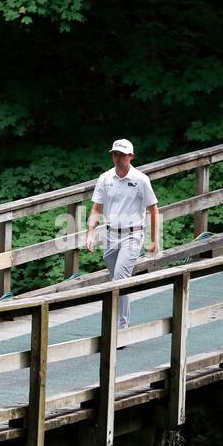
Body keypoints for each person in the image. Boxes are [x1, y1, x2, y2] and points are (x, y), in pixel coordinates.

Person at [84, 138, 160, 332]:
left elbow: (153, 209)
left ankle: (119, 328)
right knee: (119, 280)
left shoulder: (140, 179)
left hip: (132, 235)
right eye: (115, 154)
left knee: (119, 278)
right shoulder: (105, 178)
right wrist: (90, 233)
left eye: (122, 155)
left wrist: (154, 240)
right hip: (111, 235)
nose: (118, 158)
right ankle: (121, 321)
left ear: (131, 156)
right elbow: (96, 208)